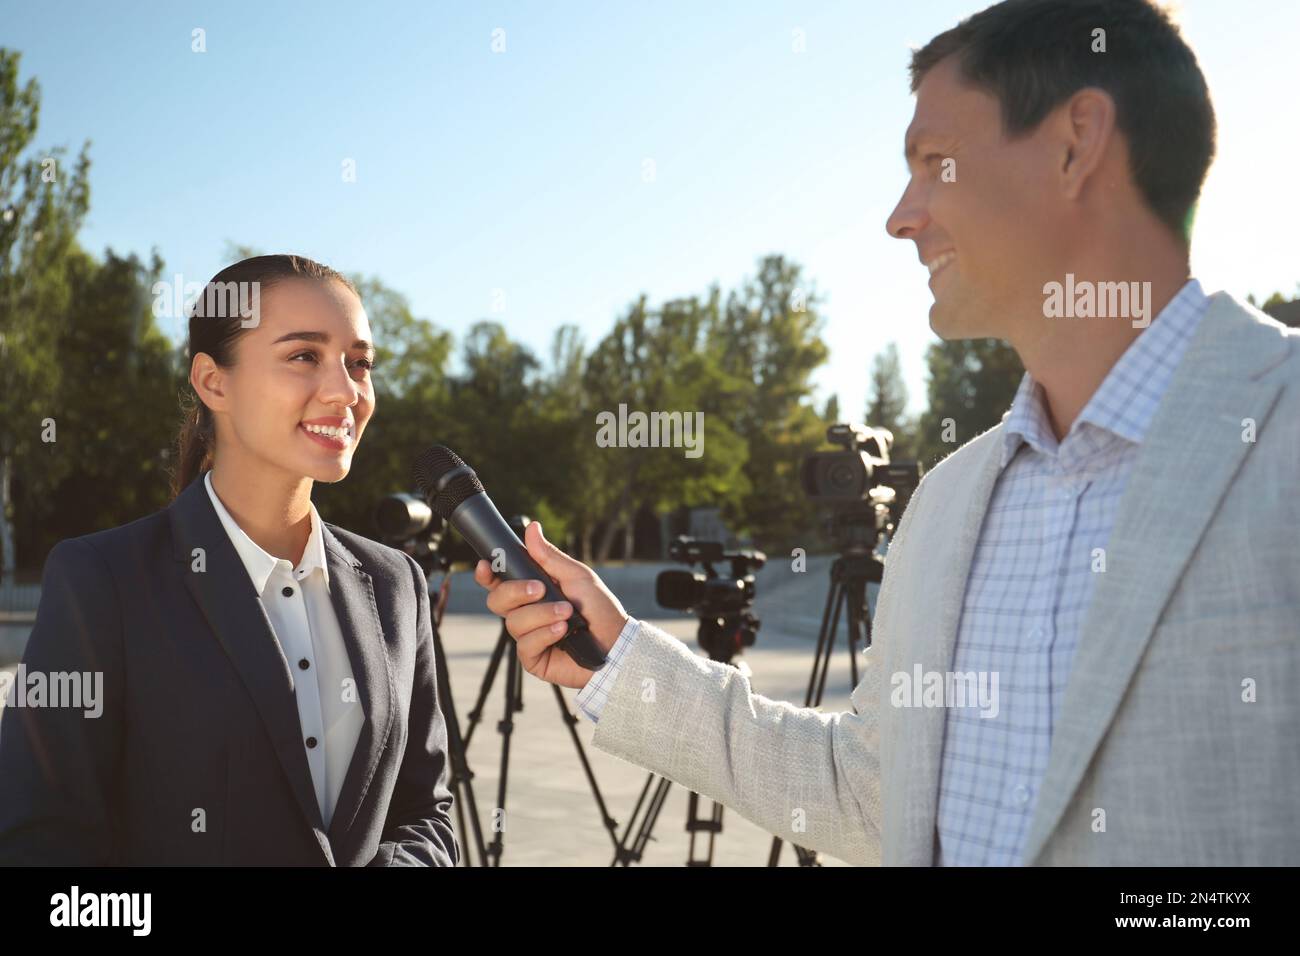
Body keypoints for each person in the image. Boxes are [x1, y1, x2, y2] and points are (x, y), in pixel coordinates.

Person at [475, 0, 1299, 865]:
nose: (901, 216)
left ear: (1075, 142)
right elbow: (869, 796)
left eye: (936, 162)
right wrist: (619, 659)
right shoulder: (948, 501)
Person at [0, 254, 458, 866]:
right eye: (304, 356)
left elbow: (426, 811)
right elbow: (40, 842)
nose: (346, 391)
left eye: (360, 363)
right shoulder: (101, 580)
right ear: (214, 381)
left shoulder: (395, 583)